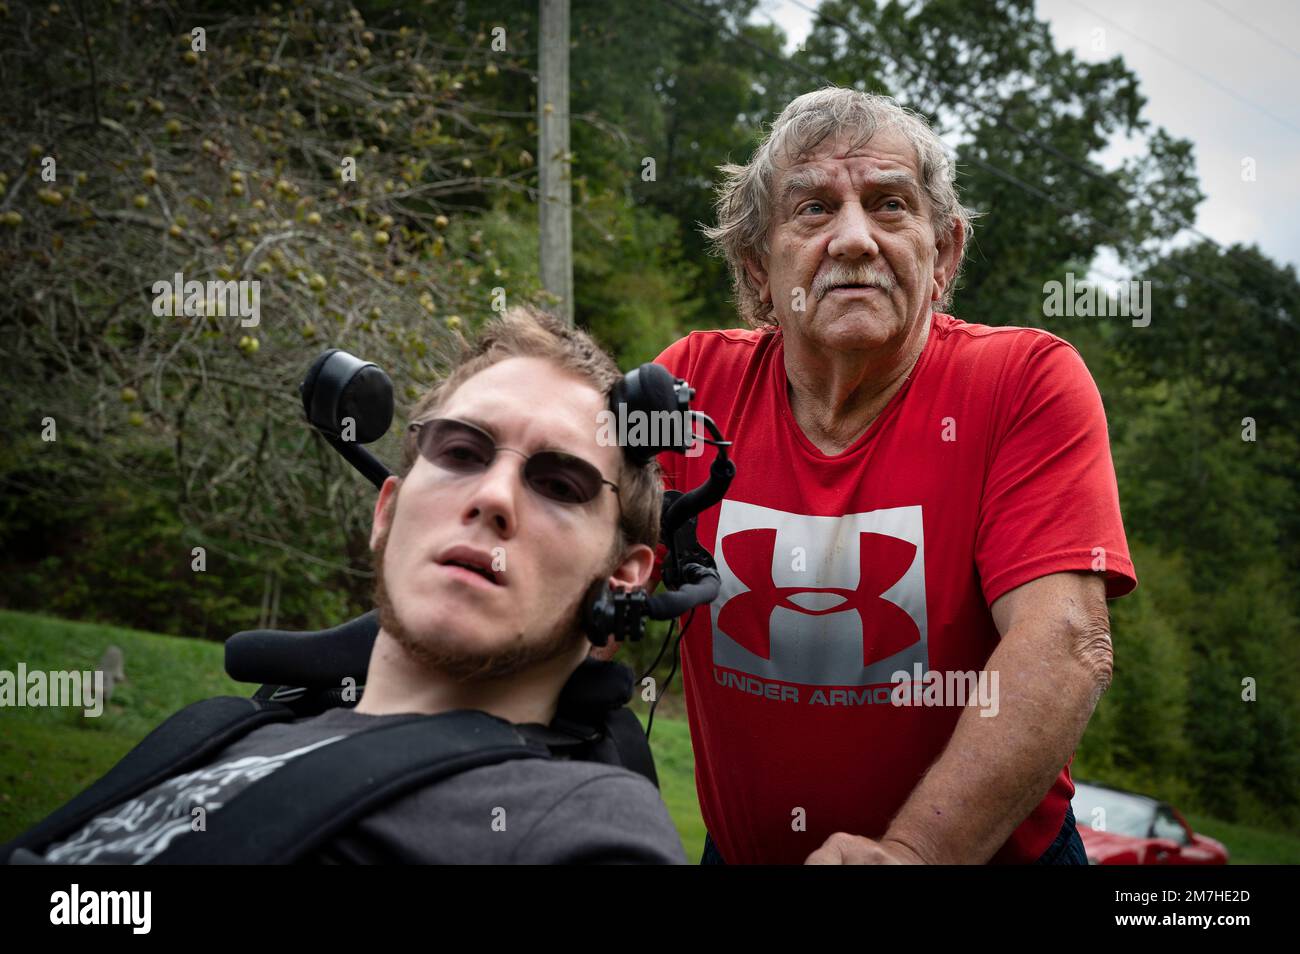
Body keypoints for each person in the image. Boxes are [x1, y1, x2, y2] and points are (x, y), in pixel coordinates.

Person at [11, 306, 687, 865]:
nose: (493, 495)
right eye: (459, 451)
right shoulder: (215, 730)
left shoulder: (583, 828)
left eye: (559, 484)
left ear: (622, 580)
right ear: (386, 512)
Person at [653, 87, 1137, 865]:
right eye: (812, 209)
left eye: (889, 205)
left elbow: (1066, 640)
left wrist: (915, 854)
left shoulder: (1023, 381)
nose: (854, 240)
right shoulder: (689, 387)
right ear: (756, 263)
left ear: (943, 253)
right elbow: (579, 569)